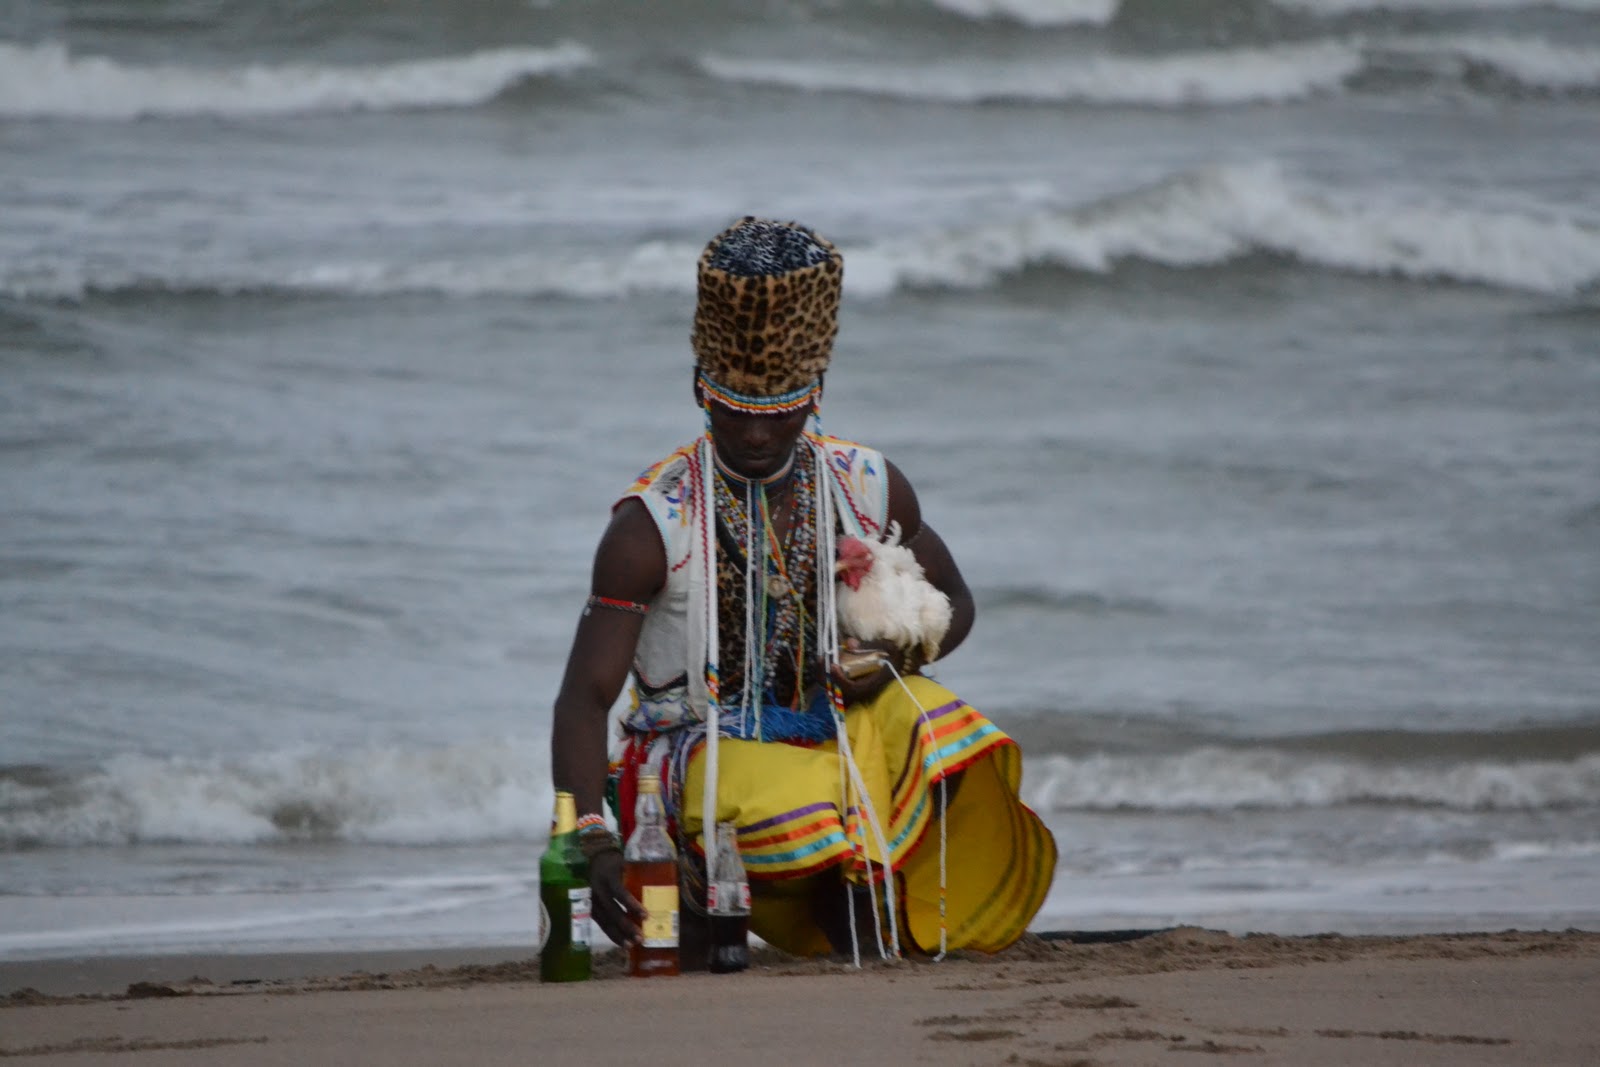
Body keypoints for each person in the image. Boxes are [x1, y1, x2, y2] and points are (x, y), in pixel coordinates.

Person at [550, 217, 1056, 962]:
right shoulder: (650, 526)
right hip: (695, 750)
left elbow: (958, 603)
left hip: (829, 728)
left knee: (941, 725)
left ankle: (856, 894)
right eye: (736, 411)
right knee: (804, 804)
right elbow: (584, 696)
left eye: (780, 413)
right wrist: (587, 836)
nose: (757, 436)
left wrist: (890, 654)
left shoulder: (866, 486)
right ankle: (748, 882)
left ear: (815, 393)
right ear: (701, 390)